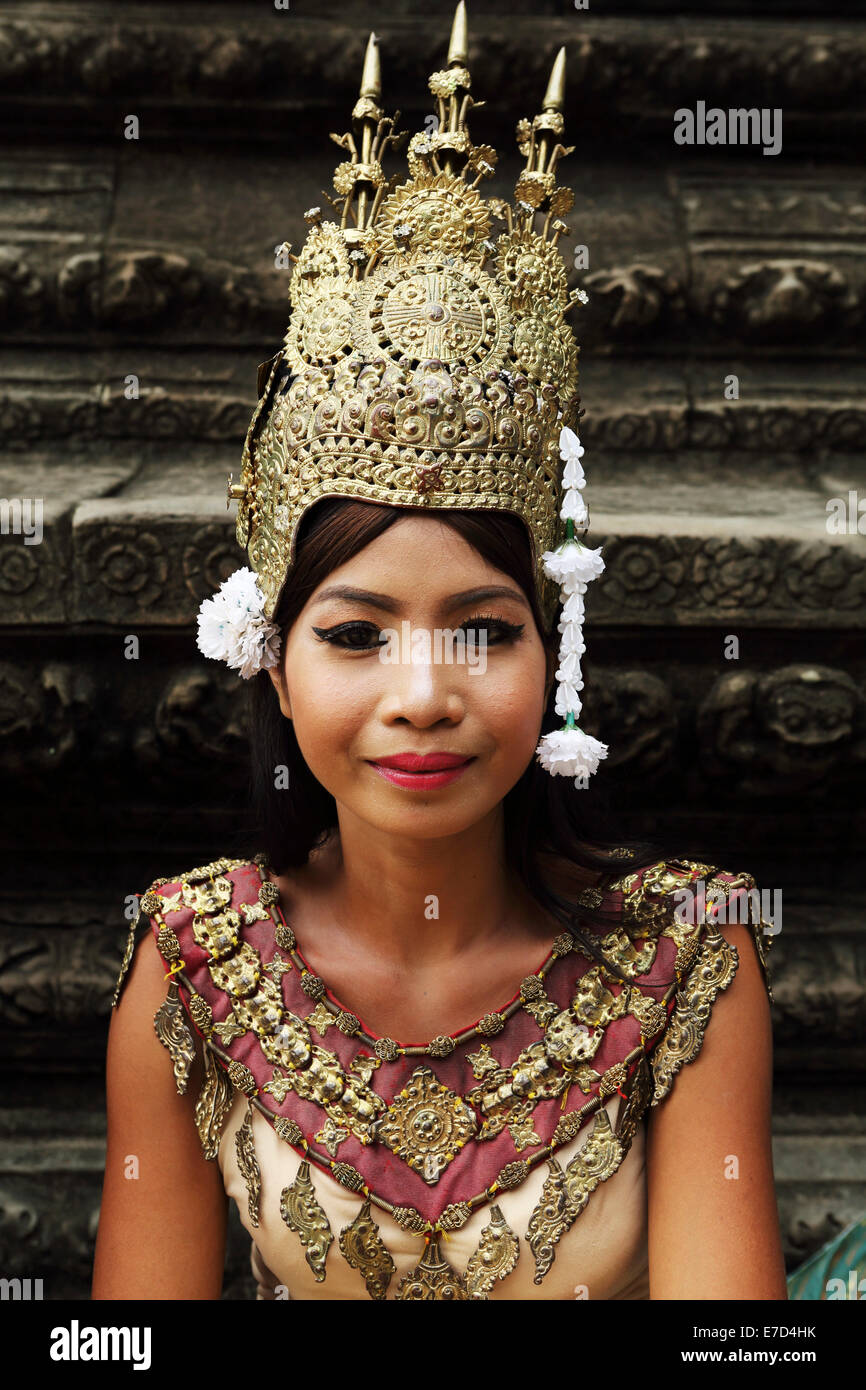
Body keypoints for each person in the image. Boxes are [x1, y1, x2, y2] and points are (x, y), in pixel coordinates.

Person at [92, 5, 787, 1301]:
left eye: (482, 627)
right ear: (273, 658)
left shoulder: (689, 951)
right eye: (356, 634)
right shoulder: (190, 959)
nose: (424, 693)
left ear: (551, 646)